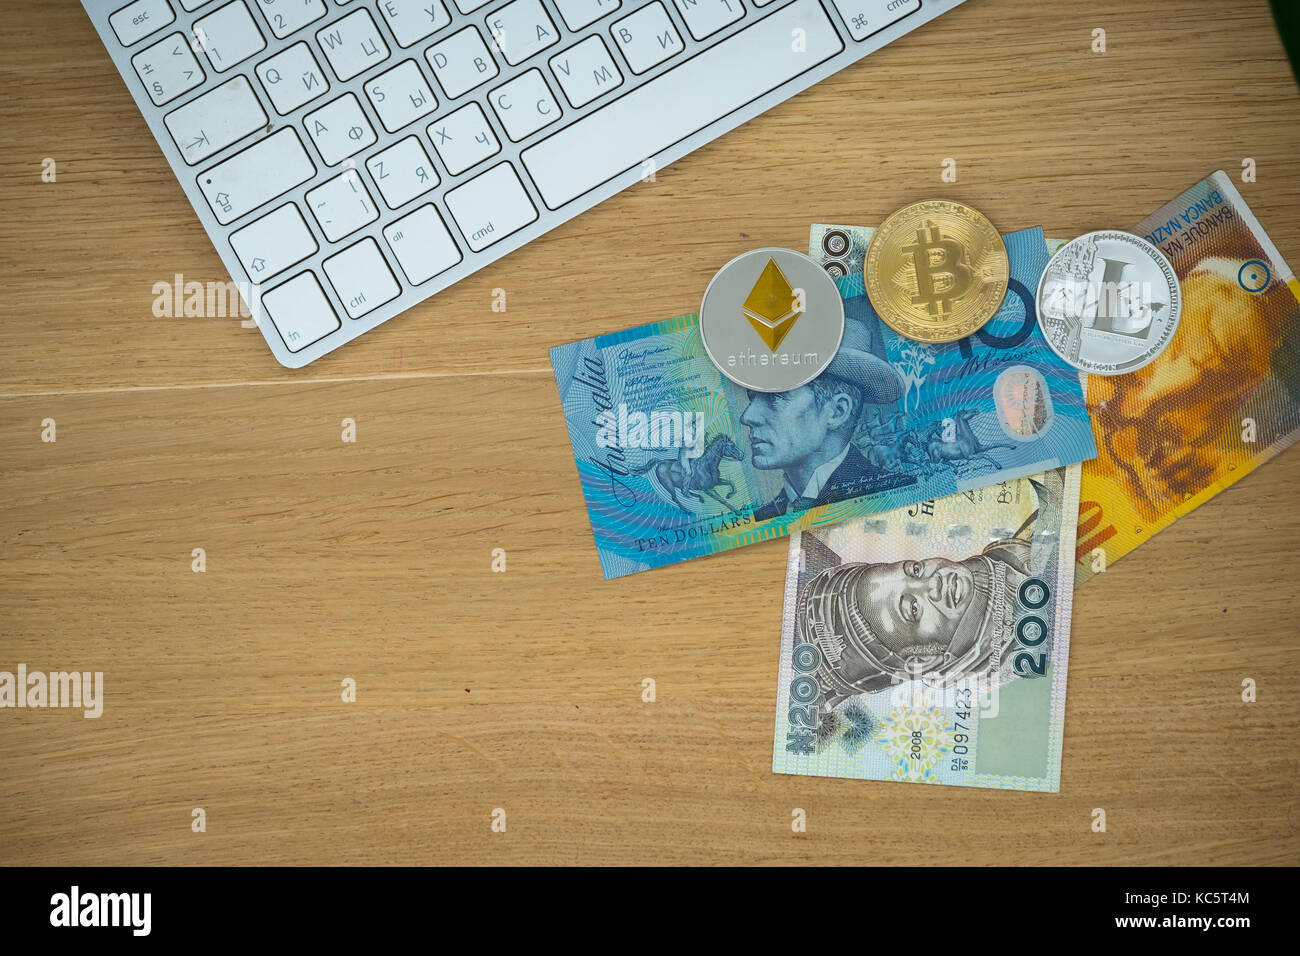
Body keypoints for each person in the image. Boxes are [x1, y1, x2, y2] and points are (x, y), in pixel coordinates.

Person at [743, 311, 904, 520]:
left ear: (838, 412)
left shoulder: (893, 497)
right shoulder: (764, 518)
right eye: (752, 397)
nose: (748, 416)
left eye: (776, 397)